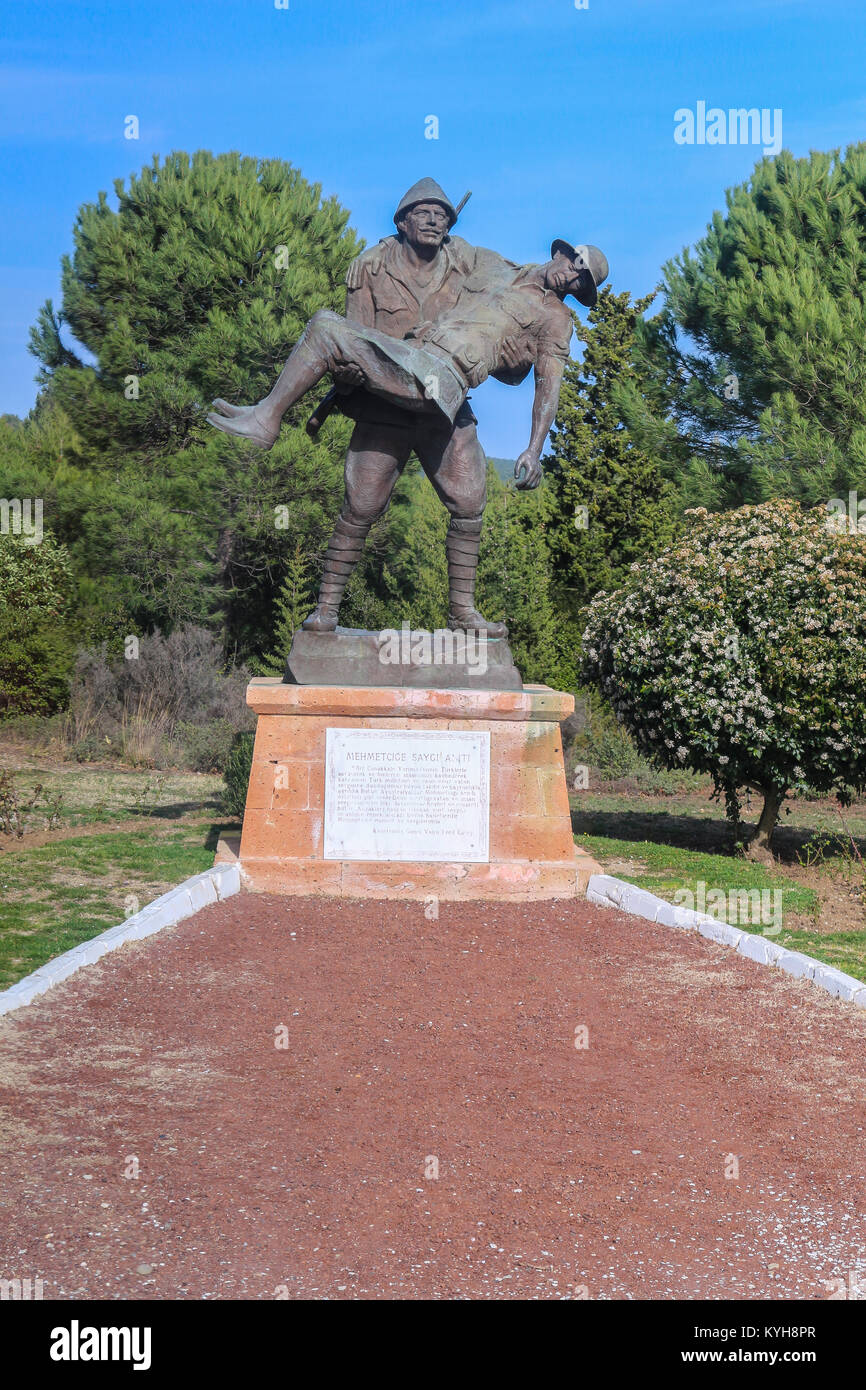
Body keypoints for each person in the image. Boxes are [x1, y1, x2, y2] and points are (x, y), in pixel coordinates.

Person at [207, 186, 607, 635]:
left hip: (442, 385)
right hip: (411, 372)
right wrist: (378, 252)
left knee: (469, 500)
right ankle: (325, 613)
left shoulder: (557, 320)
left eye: (582, 283)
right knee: (360, 506)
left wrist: (534, 449)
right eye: (574, 267)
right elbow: (435, 238)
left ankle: (463, 614)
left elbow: (547, 385)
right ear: (560, 253)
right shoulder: (494, 265)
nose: (572, 280)